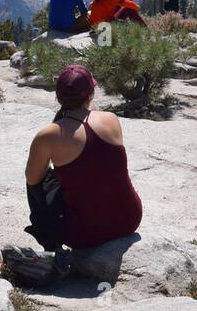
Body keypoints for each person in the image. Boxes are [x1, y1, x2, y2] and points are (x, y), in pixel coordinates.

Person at [25, 64, 142, 249]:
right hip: (128, 220)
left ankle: (50, 242)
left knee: (39, 180)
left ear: (58, 96)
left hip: (85, 233)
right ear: (90, 95)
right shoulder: (110, 119)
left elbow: (32, 180)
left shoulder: (47, 135)